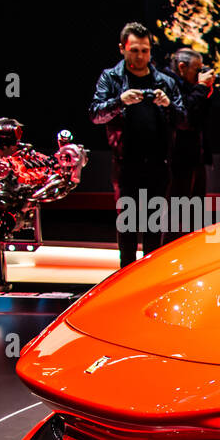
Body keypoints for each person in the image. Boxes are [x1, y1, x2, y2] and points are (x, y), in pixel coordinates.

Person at [88, 22, 186, 267]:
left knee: (155, 226)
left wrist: (168, 105)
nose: (140, 56)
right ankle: (126, 277)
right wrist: (119, 101)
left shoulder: (165, 81)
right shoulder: (111, 78)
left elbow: (183, 120)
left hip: (159, 163)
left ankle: (150, 277)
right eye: (134, 50)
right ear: (123, 48)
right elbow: (95, 115)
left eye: (145, 50)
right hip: (126, 163)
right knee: (129, 226)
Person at [167, 48, 216, 230]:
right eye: (197, 70)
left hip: (196, 158)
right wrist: (201, 87)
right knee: (177, 215)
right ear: (181, 67)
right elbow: (185, 116)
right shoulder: (169, 84)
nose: (199, 75)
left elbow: (200, 117)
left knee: (196, 214)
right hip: (178, 160)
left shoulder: (190, 87)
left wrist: (206, 90)